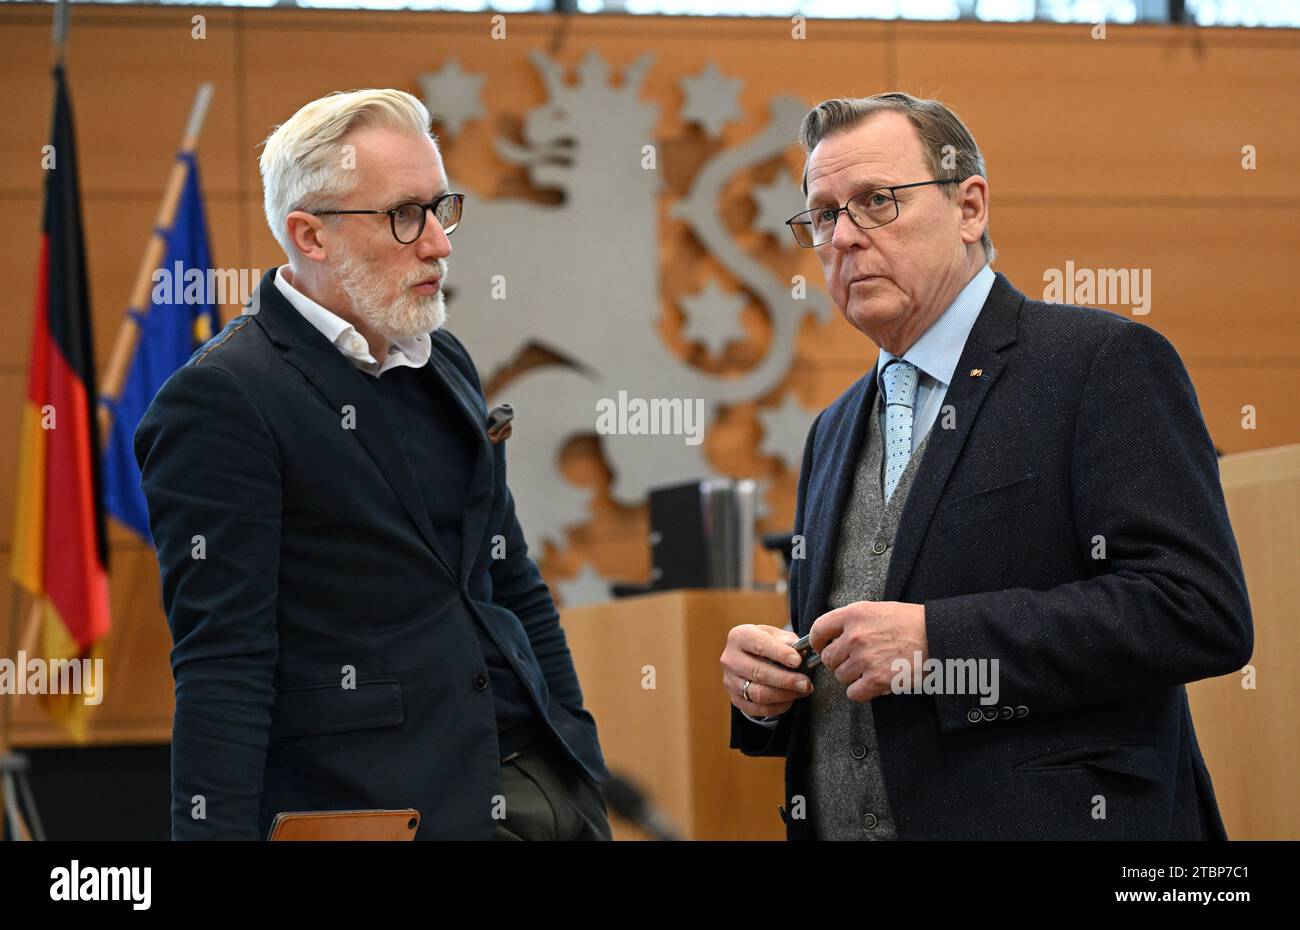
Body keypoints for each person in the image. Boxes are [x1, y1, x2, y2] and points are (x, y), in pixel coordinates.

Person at [720, 92, 1252, 840]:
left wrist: (941, 645)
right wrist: (770, 682)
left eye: (877, 202)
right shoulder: (832, 429)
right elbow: (870, 631)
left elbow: (1197, 610)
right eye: (824, 215)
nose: (843, 238)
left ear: (969, 207)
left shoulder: (1099, 363)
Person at [136, 89, 610, 840]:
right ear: (310, 236)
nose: (439, 244)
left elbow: (507, 572)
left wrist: (575, 737)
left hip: (540, 785)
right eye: (403, 215)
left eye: (440, 207)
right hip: (383, 806)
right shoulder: (224, 399)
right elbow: (225, 663)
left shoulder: (441, 357)